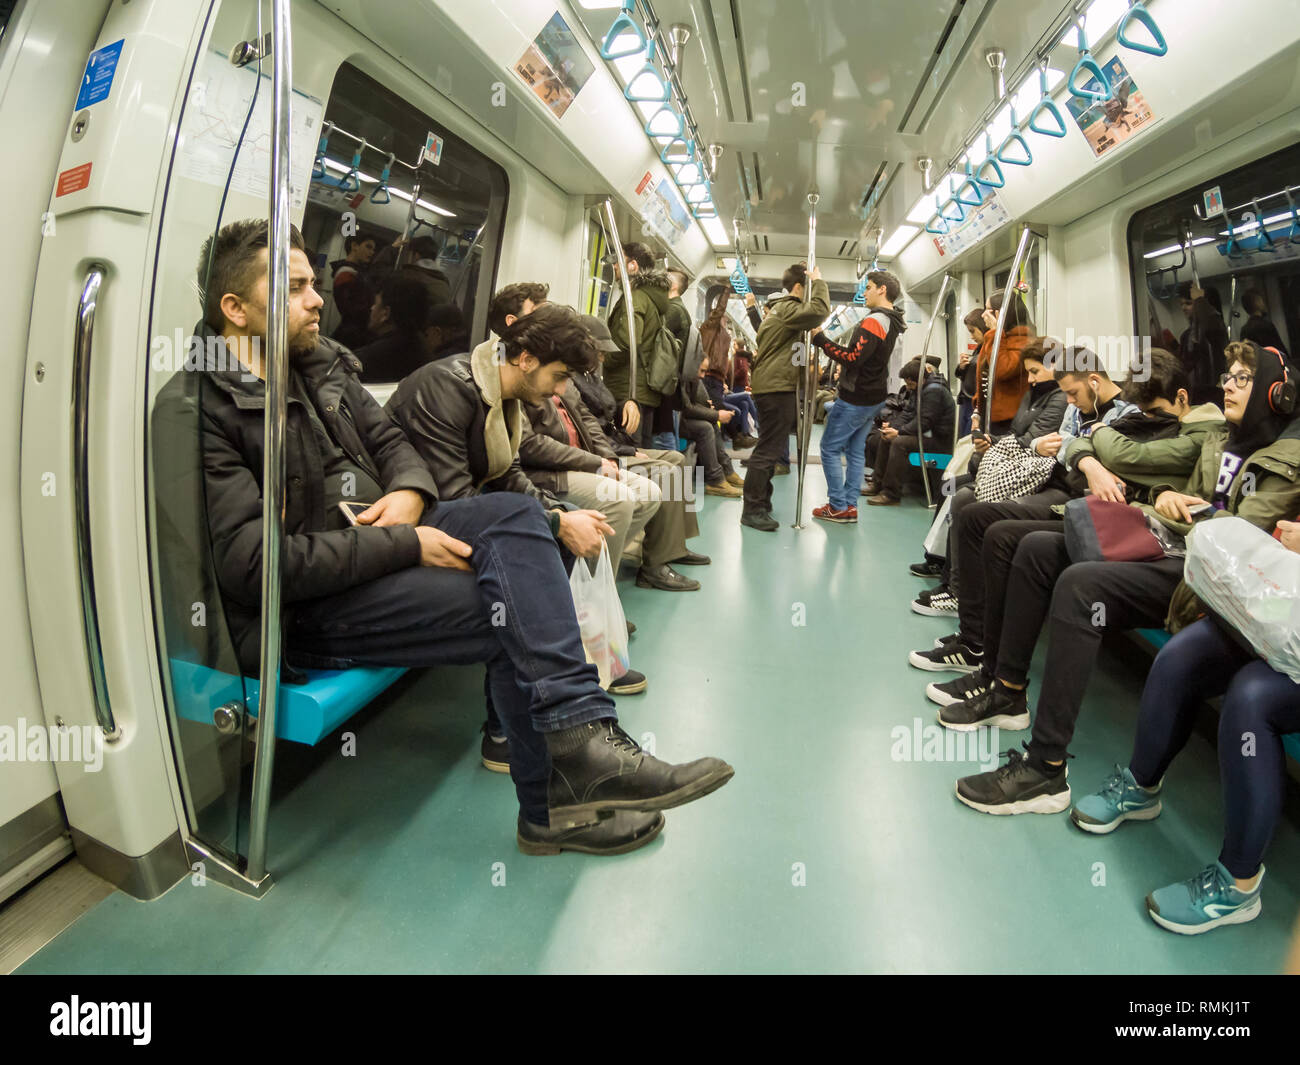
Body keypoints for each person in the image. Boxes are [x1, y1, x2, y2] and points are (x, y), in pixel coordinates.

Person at [196, 219, 733, 855]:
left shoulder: (324, 368)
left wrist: (410, 494)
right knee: (514, 609)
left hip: (389, 532)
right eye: (295, 288)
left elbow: (391, 442)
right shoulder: (205, 408)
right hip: (311, 602)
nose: (318, 299)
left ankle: (579, 742)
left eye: (314, 282)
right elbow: (253, 566)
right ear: (235, 309)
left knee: (519, 515)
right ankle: (555, 797)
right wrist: (409, 542)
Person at [954, 341, 1300, 814]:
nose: (1229, 386)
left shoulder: (1285, 456)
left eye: (1242, 378)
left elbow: (1240, 536)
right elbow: (1188, 495)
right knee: (1035, 548)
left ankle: (1046, 768)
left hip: (1211, 578)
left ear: (1275, 392)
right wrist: (1165, 497)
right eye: (1227, 377)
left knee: (1081, 587)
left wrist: (1181, 509)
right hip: (1180, 544)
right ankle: (1007, 692)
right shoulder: (1221, 438)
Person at [919, 349, 1220, 699]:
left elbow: (1126, 456)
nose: (1070, 403)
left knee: (991, 525)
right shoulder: (1123, 415)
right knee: (969, 506)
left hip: (1107, 507)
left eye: (1074, 394)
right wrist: (1088, 454)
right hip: (1077, 487)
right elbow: (1071, 444)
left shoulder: (1173, 428)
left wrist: (1091, 442)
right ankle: (975, 639)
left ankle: (989, 660)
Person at [1070, 516, 1300, 934]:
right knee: (1183, 656)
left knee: (1252, 699)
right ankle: (1140, 788)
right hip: (1291, 608)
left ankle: (1239, 884)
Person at [911, 348, 1136, 620]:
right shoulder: (1072, 407)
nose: (1070, 401)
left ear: (1094, 381)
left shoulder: (1125, 414)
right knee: (962, 498)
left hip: (1070, 491)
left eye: (1073, 393)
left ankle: (969, 602)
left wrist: (1071, 451)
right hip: (1048, 475)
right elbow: (1060, 441)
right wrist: (1060, 447)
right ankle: (956, 588)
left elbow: (1098, 451)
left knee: (978, 512)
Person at [908, 337, 1067, 593]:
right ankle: (940, 562)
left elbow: (1032, 440)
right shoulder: (1033, 395)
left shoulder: (1060, 399)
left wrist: (997, 443)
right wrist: (992, 440)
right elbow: (1018, 434)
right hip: (1014, 461)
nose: (1030, 379)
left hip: (1032, 474)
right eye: (1028, 373)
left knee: (963, 497)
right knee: (949, 487)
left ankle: (956, 585)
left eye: (1034, 371)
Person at [808, 270, 906, 522]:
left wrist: (820, 340)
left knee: (829, 448)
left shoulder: (874, 321)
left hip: (857, 397)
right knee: (854, 450)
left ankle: (838, 506)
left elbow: (853, 358)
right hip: (874, 397)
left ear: (882, 290)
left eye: (869, 287)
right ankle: (849, 505)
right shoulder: (893, 320)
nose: (865, 292)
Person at [741, 262, 830, 531]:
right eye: (810, 288)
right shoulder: (789, 308)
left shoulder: (782, 311)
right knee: (768, 449)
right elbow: (819, 311)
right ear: (800, 287)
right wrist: (820, 282)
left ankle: (761, 502)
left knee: (769, 447)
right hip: (776, 387)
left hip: (776, 385)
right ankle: (752, 508)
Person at [860, 356, 953, 508]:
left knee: (899, 442)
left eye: (910, 383)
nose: (908, 387)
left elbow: (924, 422)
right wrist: (891, 428)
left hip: (938, 440)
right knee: (886, 437)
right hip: (926, 436)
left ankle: (891, 494)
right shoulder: (920, 389)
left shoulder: (934, 391)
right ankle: (878, 483)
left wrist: (899, 433)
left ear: (920, 379)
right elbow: (908, 414)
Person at [606, 241, 671, 446]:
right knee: (641, 452)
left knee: (628, 456)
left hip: (628, 389)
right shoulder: (651, 298)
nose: (614, 265)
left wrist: (602, 359)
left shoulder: (635, 298)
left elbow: (627, 342)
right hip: (644, 390)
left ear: (632, 265)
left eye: (619, 261)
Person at [973, 288, 1034, 437]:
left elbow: (1002, 370)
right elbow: (984, 376)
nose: (983, 315)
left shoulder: (1023, 340)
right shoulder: (995, 338)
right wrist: (976, 412)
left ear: (1001, 313)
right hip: (989, 416)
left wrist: (995, 331)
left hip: (1009, 421)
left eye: (988, 310)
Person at [679, 356, 744, 497]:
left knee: (712, 424)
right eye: (701, 371)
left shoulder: (693, 379)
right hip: (677, 421)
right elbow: (686, 408)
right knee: (706, 428)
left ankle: (726, 471)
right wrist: (715, 414)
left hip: (683, 418)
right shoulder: (682, 378)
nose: (703, 376)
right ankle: (715, 480)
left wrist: (710, 411)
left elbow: (694, 404)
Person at [356, 274, 432, 383]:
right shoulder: (425, 352)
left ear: (385, 313)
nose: (371, 308)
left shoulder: (366, 359)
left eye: (375, 304)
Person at [1177, 281, 1229, 405]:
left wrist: (1199, 299)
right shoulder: (1186, 336)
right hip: (1194, 394)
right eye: (1182, 304)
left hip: (1214, 392)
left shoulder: (1215, 328)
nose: (1183, 308)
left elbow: (1210, 323)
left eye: (1188, 303)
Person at [329, 232, 377, 350]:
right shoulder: (346, 273)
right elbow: (352, 311)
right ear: (354, 246)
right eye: (368, 247)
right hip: (351, 338)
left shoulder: (359, 273)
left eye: (373, 249)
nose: (372, 253)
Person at [956, 308, 985, 440]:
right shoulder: (979, 349)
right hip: (967, 401)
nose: (972, 337)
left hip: (975, 403)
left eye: (973, 331)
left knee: (968, 442)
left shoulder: (990, 351)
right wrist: (962, 367)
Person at [1240, 287, 1290, 361]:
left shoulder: (1244, 330)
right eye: (1261, 300)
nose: (1264, 303)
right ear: (1258, 302)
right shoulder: (1266, 326)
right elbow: (1280, 351)